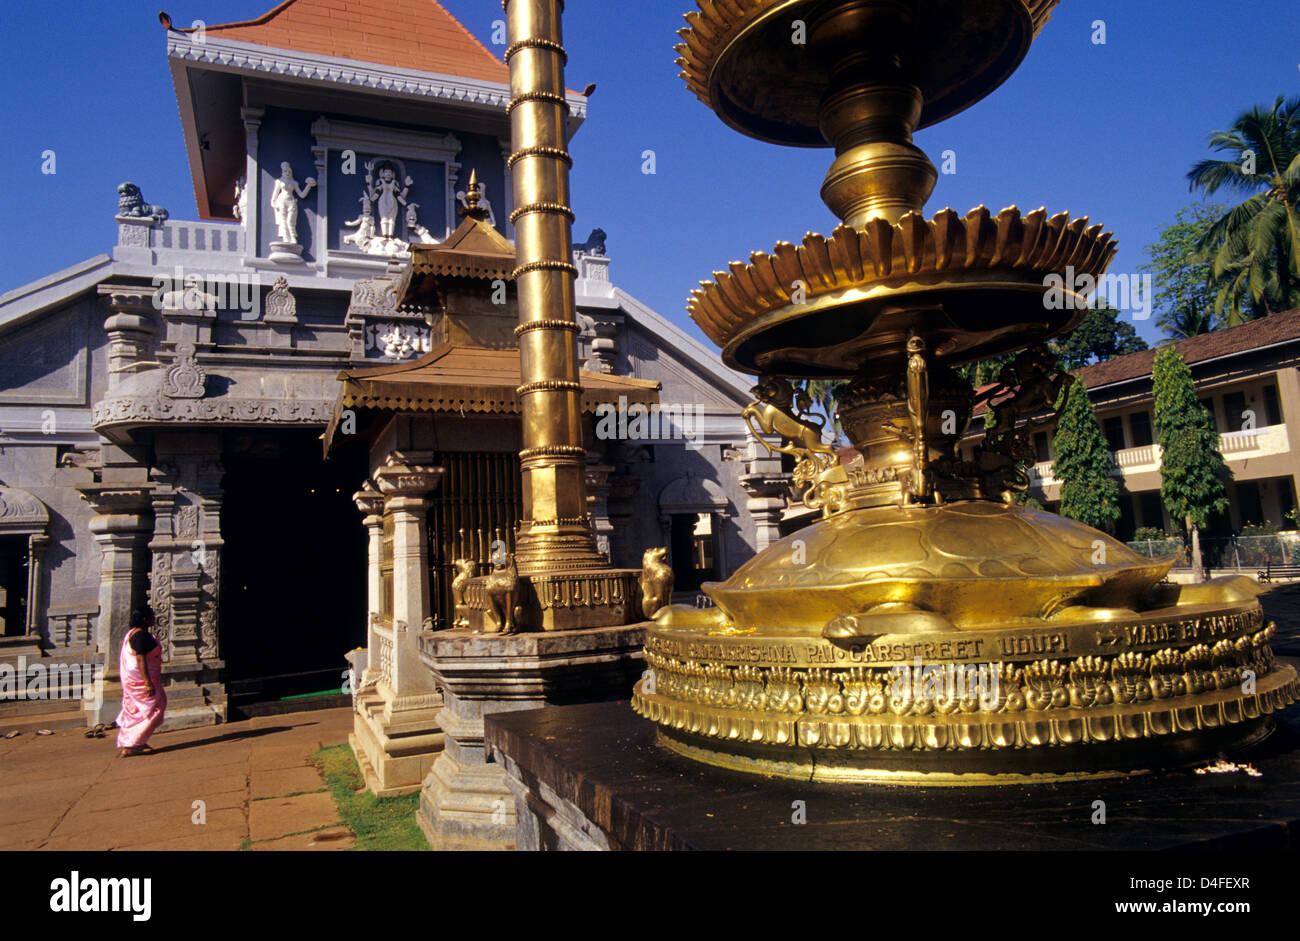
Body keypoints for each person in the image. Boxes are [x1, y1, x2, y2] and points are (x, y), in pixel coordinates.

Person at [116, 607, 166, 757]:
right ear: (145, 619)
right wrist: (147, 682)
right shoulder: (141, 636)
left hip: (134, 680)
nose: (153, 619)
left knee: (136, 711)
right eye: (151, 617)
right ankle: (134, 744)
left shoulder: (132, 634)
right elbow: (140, 658)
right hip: (141, 680)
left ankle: (132, 742)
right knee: (153, 709)